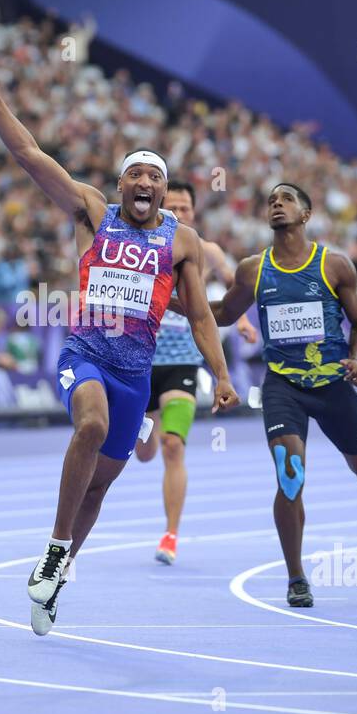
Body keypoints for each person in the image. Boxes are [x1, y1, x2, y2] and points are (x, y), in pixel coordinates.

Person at [0, 40, 239, 636]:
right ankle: (56, 549)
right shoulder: (93, 211)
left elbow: (197, 317)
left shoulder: (181, 240)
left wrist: (220, 374)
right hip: (84, 354)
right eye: (134, 173)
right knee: (89, 425)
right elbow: (28, 152)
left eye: (153, 176)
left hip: (136, 376)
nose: (144, 181)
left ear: (164, 193)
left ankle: (56, 576)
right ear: (120, 186)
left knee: (98, 489)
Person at [207, 183, 357, 608]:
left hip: (333, 383)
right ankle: (296, 577)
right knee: (291, 476)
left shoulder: (335, 265)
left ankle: (347, 441)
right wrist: (169, 302)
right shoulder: (254, 269)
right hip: (283, 385)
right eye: (270, 200)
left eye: (286, 199)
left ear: (305, 214)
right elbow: (222, 314)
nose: (276, 204)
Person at [134, 180, 257, 564]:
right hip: (139, 359)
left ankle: (170, 534)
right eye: (172, 207)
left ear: (193, 212)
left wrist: (239, 320)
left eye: (185, 208)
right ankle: (143, 433)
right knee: (143, 452)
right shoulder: (139, 246)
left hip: (183, 363)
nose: (179, 214)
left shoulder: (204, 250)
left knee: (174, 446)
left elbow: (234, 284)